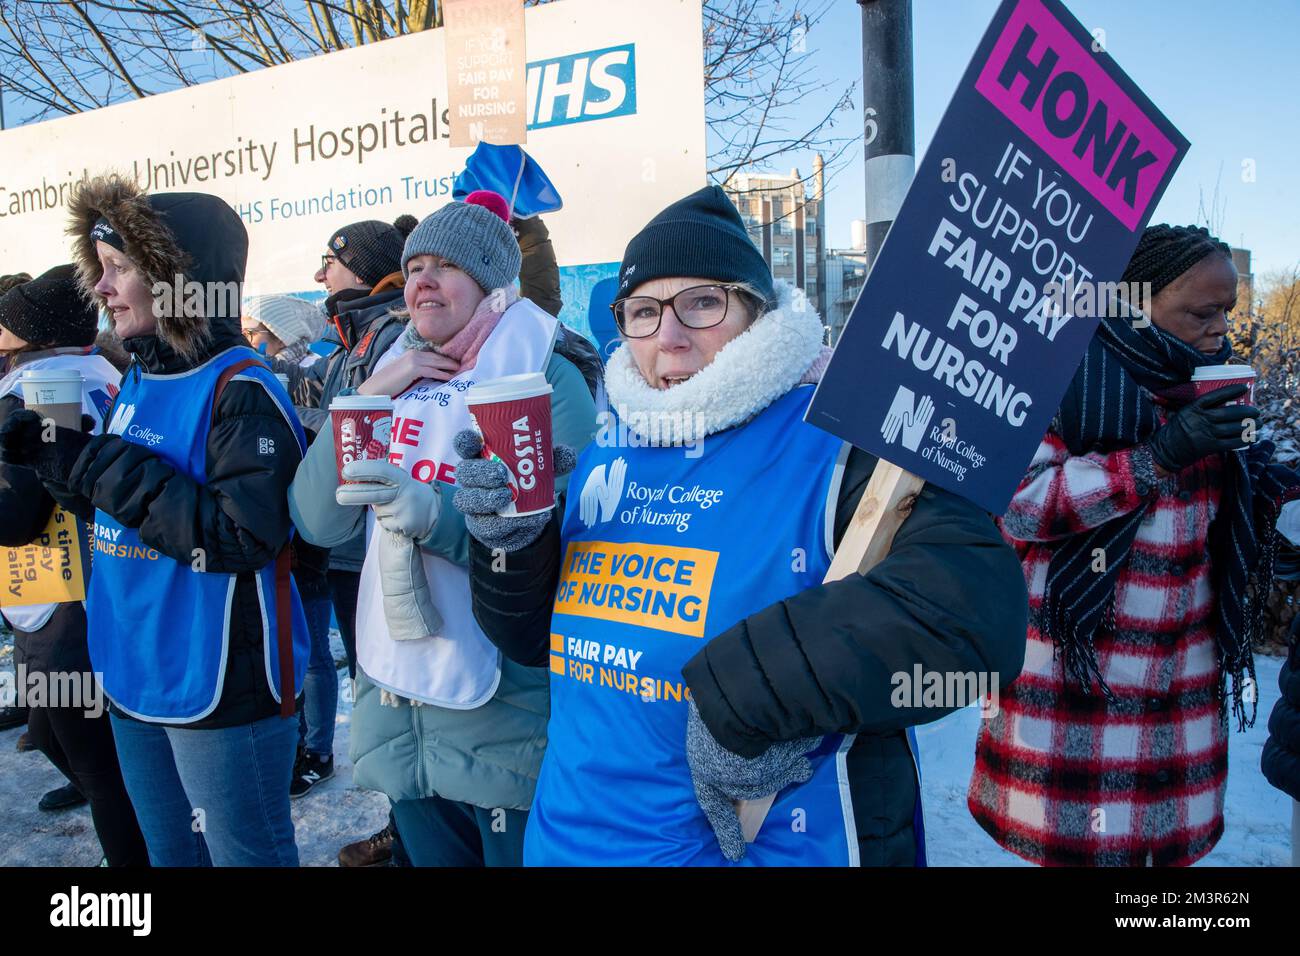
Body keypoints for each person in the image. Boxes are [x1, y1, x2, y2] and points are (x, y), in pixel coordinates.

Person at [456, 185, 1027, 866]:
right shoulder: (610, 443)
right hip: (567, 844)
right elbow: (531, 642)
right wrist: (513, 548)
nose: (668, 337)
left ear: (756, 312)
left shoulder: (840, 445)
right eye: (642, 312)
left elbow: (971, 621)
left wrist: (752, 691)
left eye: (701, 302)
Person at [1, 174, 310, 866]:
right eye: (100, 271)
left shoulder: (242, 386)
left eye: (118, 270)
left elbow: (239, 536)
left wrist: (91, 463)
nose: (101, 290)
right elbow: (128, 511)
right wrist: (53, 458)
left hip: (221, 679)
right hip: (132, 667)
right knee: (169, 856)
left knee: (244, 856)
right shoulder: (140, 377)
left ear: (179, 278)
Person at [969, 225, 1300, 867]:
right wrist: (1158, 457)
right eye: (1203, 312)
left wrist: (1273, 510)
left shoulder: (1204, 388)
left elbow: (1225, 524)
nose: (1221, 329)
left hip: (1179, 700)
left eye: (1228, 311)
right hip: (1073, 695)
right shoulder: (1060, 384)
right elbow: (1020, 505)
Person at [289, 193, 599, 867]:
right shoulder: (389, 370)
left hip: (504, 717)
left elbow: (564, 541)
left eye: (448, 265)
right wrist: (372, 392)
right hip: (398, 710)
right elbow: (317, 519)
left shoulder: (543, 371)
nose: (423, 279)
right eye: (416, 264)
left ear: (491, 284)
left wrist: (435, 513)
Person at [0, 265, 148, 864]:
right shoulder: (96, 369)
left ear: (27, 331)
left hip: (63, 594)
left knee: (98, 762)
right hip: (82, 589)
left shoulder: (45, 383)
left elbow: (20, 512)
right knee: (66, 738)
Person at [242, 295, 338, 796]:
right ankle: (297, 738)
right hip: (281, 533)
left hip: (313, 535)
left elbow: (332, 433)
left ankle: (319, 748)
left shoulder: (317, 370)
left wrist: (297, 417)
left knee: (316, 649)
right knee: (291, 646)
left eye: (256, 326)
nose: (249, 334)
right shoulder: (257, 374)